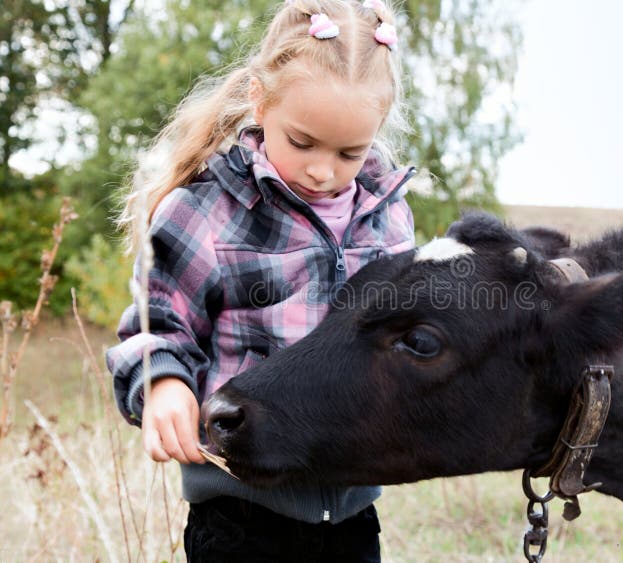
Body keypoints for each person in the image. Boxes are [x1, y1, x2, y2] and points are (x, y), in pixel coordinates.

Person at [106, 1, 416, 560]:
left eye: (351, 152)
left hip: (349, 511)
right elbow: (155, 327)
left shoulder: (388, 217)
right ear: (260, 100)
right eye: (302, 142)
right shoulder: (207, 210)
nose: (324, 170)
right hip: (239, 513)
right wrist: (165, 385)